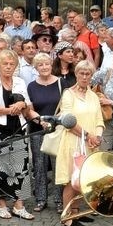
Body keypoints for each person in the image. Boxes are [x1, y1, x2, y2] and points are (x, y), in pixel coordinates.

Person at [0, 50, 41, 221]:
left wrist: (21, 104)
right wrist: (8, 110)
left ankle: (19, 205)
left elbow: (27, 108)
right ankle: (1, 204)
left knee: (21, 167)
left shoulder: (20, 82)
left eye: (11, 64)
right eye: (5, 63)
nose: (8, 66)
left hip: (17, 128)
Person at [56, 61, 105, 226]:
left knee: (83, 180)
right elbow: (67, 121)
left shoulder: (93, 96)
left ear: (91, 76)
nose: (85, 77)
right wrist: (87, 135)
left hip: (90, 143)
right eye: (81, 74)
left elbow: (99, 119)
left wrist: (97, 136)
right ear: (76, 74)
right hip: (73, 142)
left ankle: (76, 211)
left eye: (88, 74)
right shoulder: (68, 94)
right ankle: (67, 216)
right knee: (71, 180)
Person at [27, 52, 63, 213]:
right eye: (40, 65)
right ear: (36, 68)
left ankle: (59, 199)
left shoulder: (61, 83)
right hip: (37, 130)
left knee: (58, 166)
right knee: (39, 165)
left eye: (47, 64)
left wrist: (54, 120)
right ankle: (41, 199)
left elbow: (66, 107)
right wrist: (40, 120)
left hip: (57, 129)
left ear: (51, 65)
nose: (44, 67)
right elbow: (29, 110)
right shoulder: (31, 86)